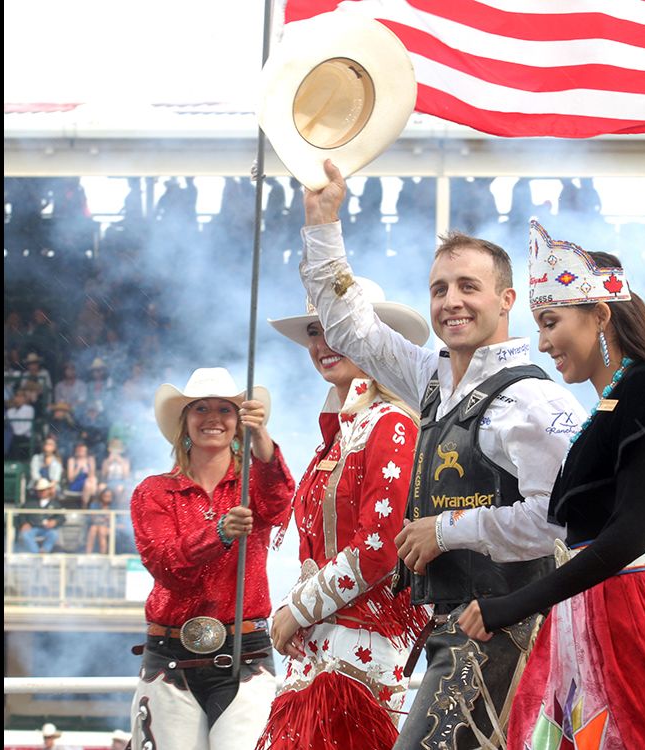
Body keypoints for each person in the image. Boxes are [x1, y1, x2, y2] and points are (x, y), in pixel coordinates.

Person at [298, 159, 588, 750]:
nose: (451, 302)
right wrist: (323, 223)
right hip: (452, 621)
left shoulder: (536, 400)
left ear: (507, 299)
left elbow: (559, 520)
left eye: (467, 287)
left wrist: (446, 530)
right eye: (439, 289)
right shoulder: (433, 381)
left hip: (510, 624)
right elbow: (351, 329)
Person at [457, 219, 645, 749]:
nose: (544, 342)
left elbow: (628, 539)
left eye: (551, 322)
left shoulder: (644, 391)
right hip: (613, 611)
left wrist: (515, 605)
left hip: (623, 616)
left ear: (600, 314)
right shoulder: (616, 404)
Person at [259, 283, 432, 749]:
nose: (323, 342)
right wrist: (300, 616)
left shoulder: (392, 423)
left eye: (338, 327)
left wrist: (295, 610)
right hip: (320, 649)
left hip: (358, 656)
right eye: (316, 330)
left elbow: (380, 549)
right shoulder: (339, 435)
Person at [129, 367, 296, 750]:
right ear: (184, 421)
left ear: (239, 423)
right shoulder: (153, 492)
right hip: (172, 657)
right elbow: (166, 565)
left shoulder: (254, 486)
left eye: (225, 409)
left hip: (245, 653)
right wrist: (218, 533)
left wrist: (264, 442)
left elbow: (280, 501)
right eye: (201, 408)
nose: (213, 418)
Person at [17, 478, 64, 553]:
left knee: (54, 534)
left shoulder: (55, 504)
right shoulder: (30, 502)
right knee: (25, 535)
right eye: (40, 490)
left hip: (47, 529)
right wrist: (24, 523)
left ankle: (44, 550)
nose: (42, 492)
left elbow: (61, 517)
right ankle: (36, 554)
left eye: (44, 490)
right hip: (32, 527)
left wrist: (55, 521)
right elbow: (21, 514)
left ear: (48, 490)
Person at [85, 485, 116, 554]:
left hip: (109, 527)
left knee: (101, 530)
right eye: (105, 496)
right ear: (102, 496)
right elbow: (92, 518)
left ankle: (103, 554)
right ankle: (88, 553)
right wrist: (105, 519)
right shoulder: (94, 505)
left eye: (109, 496)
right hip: (96, 526)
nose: (107, 498)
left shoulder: (113, 506)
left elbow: (116, 521)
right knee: (93, 529)